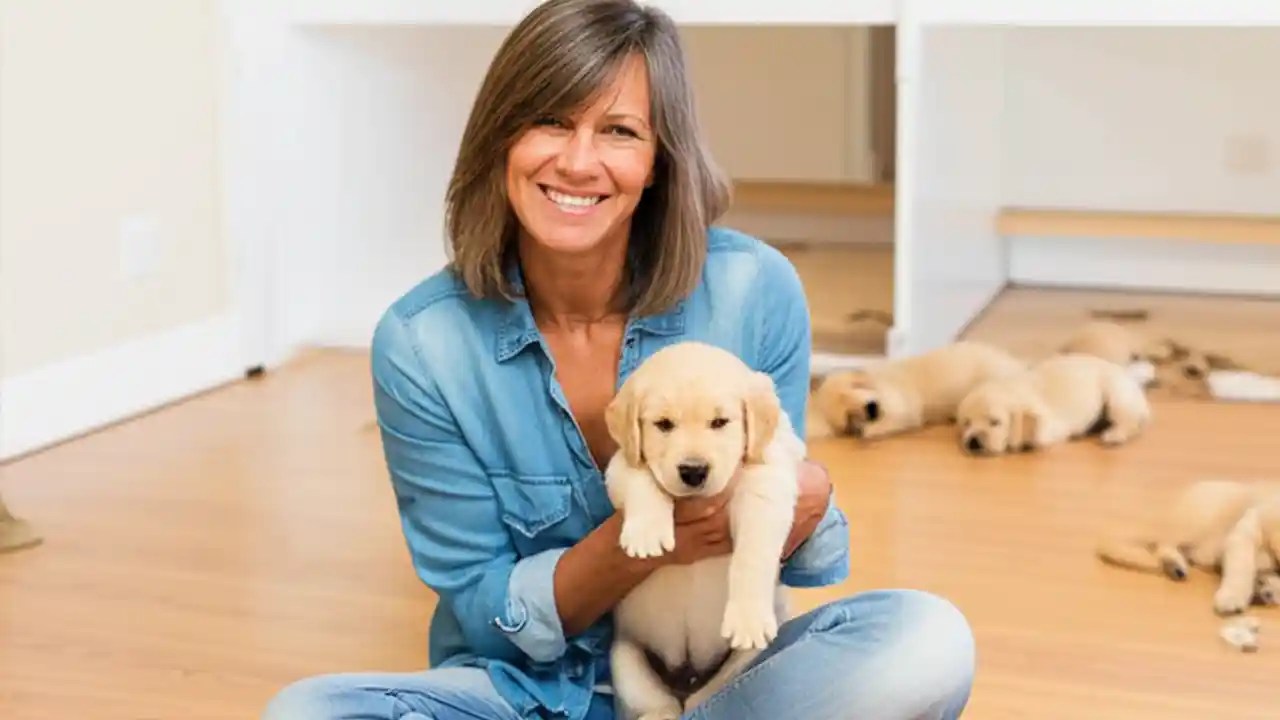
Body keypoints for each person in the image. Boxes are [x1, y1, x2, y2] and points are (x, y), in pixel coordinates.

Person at [262, 1, 975, 718]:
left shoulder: (752, 288)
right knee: (306, 711)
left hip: (723, 683)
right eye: (549, 120)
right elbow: (481, 611)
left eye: (619, 131)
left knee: (926, 640)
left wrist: (809, 502)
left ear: (661, 159)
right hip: (524, 694)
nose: (577, 161)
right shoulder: (422, 343)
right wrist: (641, 547)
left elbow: (776, 513)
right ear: (498, 136)